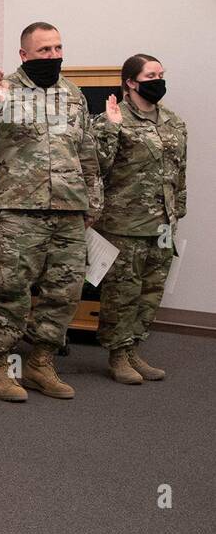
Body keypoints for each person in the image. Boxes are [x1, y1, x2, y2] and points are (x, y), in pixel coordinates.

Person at [0, 21, 102, 401]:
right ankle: (1, 368)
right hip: (17, 211)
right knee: (10, 291)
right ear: (24, 54)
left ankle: (41, 363)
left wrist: (93, 200)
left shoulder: (72, 94)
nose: (53, 56)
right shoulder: (3, 90)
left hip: (69, 209)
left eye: (58, 48)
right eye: (44, 50)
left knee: (65, 291)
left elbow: (86, 151)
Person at [94, 54, 186, 383]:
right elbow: (97, 168)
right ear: (131, 82)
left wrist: (179, 211)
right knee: (122, 291)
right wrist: (110, 129)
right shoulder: (113, 118)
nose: (159, 80)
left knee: (151, 289)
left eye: (162, 74)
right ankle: (117, 355)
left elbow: (179, 173)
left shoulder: (173, 122)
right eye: (151, 75)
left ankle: (134, 349)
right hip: (124, 223)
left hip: (163, 224)